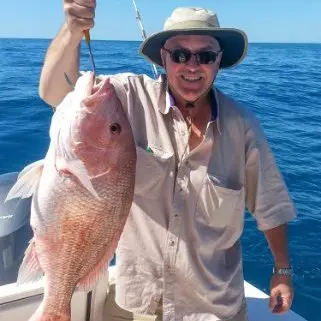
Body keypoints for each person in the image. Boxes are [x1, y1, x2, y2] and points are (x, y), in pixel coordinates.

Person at [39, 3, 297, 321]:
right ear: (163, 57)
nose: (192, 65)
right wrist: (72, 30)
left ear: (219, 62)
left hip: (213, 308)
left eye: (205, 56)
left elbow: (270, 205)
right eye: (179, 54)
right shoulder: (125, 98)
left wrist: (282, 270)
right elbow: (55, 92)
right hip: (135, 305)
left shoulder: (242, 126)